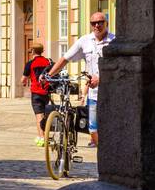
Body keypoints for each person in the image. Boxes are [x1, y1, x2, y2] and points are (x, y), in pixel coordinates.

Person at [47, 11, 115, 148]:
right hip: (93, 94)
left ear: (106, 23)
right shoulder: (84, 41)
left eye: (100, 22)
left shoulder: (114, 41)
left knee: (111, 127)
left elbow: (118, 66)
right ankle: (104, 153)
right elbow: (65, 59)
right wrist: (49, 75)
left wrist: (101, 79)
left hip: (112, 92)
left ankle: (110, 155)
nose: (97, 25)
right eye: (93, 23)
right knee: (92, 128)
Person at [22, 41, 54, 146]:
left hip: (36, 92)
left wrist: (24, 82)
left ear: (33, 51)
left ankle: (42, 138)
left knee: (39, 116)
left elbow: (23, 79)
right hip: (47, 91)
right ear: (42, 51)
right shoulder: (48, 62)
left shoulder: (30, 63)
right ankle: (45, 135)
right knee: (45, 114)